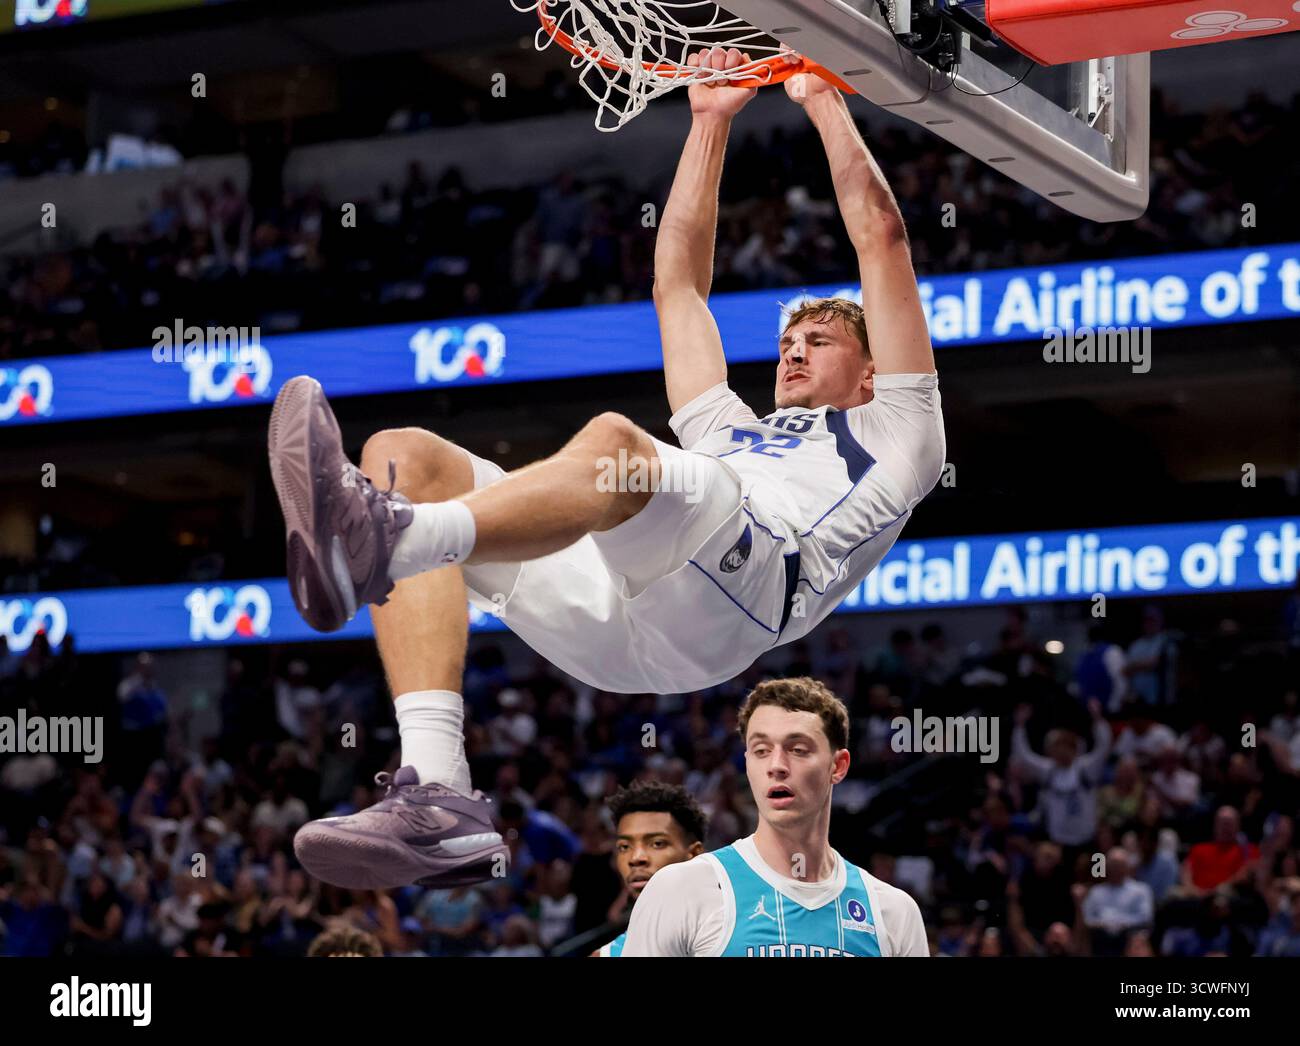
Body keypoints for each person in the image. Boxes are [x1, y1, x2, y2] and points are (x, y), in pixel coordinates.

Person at [269, 47, 943, 892]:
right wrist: (708, 122)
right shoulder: (733, 428)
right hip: (621, 624)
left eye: (820, 342)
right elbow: (679, 289)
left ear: (874, 369)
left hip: (746, 591)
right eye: (786, 343)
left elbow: (880, 234)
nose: (794, 353)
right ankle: (440, 799)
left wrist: (820, 100)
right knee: (405, 455)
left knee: (618, 444)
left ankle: (385, 543)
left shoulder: (902, 430)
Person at [622, 678, 928, 956]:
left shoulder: (893, 912)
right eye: (761, 750)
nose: (776, 765)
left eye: (797, 749)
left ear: (838, 766)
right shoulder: (682, 889)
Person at [586, 782, 707, 957]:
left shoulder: (747, 934)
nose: (635, 858)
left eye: (657, 843)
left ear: (694, 854)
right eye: (624, 846)